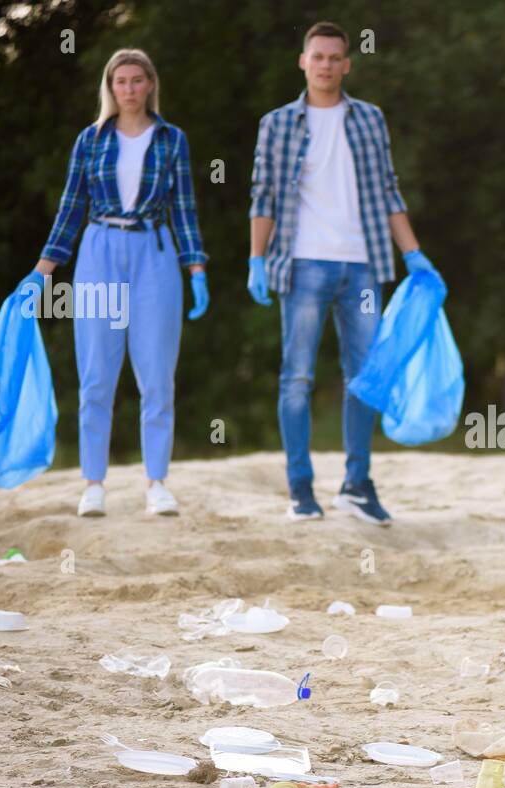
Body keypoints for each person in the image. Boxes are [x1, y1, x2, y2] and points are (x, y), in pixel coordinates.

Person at [248, 20, 436, 526]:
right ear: (303, 62)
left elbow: (389, 191)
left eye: (335, 57)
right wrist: (256, 258)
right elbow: (262, 196)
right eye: (318, 56)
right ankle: (300, 490)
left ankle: (356, 485)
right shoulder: (277, 124)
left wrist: (414, 254)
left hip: (364, 266)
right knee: (297, 378)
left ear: (347, 64)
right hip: (303, 264)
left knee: (364, 379)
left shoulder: (370, 120)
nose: (326, 64)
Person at [24, 48, 209, 518]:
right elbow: (70, 209)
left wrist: (197, 268)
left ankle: (157, 482)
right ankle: (93, 483)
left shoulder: (173, 140)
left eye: (136, 80)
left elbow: (185, 208)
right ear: (110, 88)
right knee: (96, 375)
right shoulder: (90, 140)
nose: (128, 89)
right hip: (99, 251)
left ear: (150, 85)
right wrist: (43, 271)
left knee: (157, 375)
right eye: (120, 82)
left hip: (155, 252)